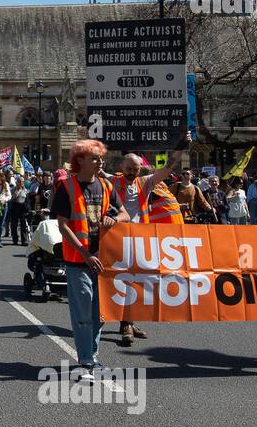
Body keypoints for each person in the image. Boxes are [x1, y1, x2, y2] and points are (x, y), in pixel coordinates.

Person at [53, 140, 129, 380]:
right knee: (83, 310)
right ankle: (86, 359)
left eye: (100, 158)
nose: (100, 162)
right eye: (95, 158)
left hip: (104, 259)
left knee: (100, 313)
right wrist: (85, 254)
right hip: (79, 259)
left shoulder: (107, 186)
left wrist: (115, 220)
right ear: (80, 161)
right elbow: (63, 226)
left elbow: (126, 213)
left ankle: (91, 356)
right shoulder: (67, 186)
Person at [109, 136, 187, 345]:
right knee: (123, 279)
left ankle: (129, 320)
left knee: (137, 280)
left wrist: (179, 146)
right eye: (129, 168)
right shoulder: (111, 181)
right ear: (121, 167)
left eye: (135, 169)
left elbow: (169, 167)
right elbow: (90, 170)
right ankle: (125, 323)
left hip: (140, 237)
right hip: (117, 237)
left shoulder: (145, 183)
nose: (132, 172)